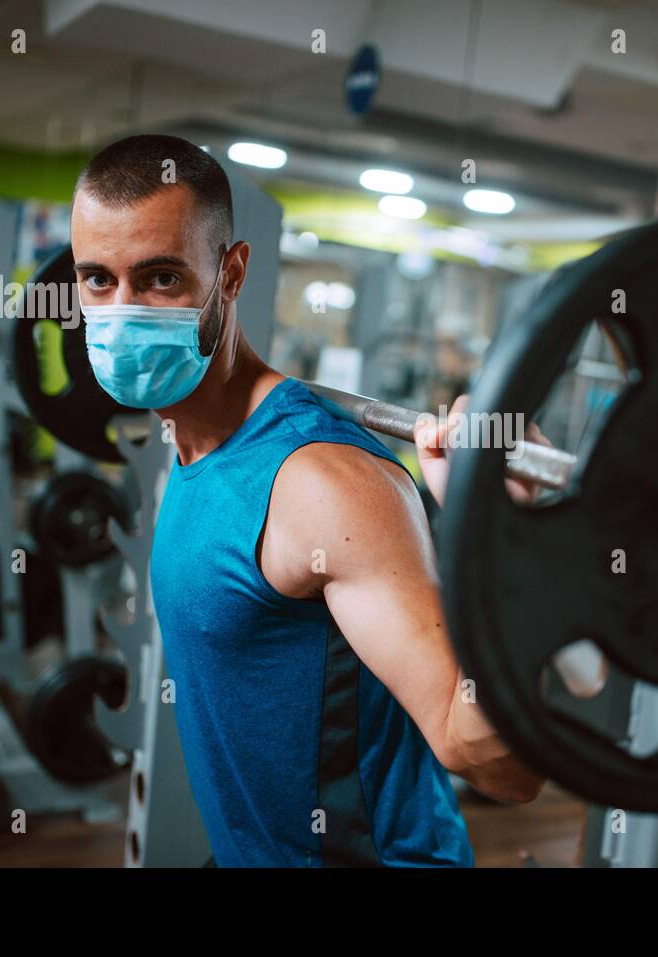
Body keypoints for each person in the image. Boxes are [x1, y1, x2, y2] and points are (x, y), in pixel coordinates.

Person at [70, 134, 543, 867]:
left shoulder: (325, 484)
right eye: (97, 279)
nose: (123, 309)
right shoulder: (188, 438)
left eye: (161, 278)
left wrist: (503, 533)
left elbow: (499, 765)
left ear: (230, 274)